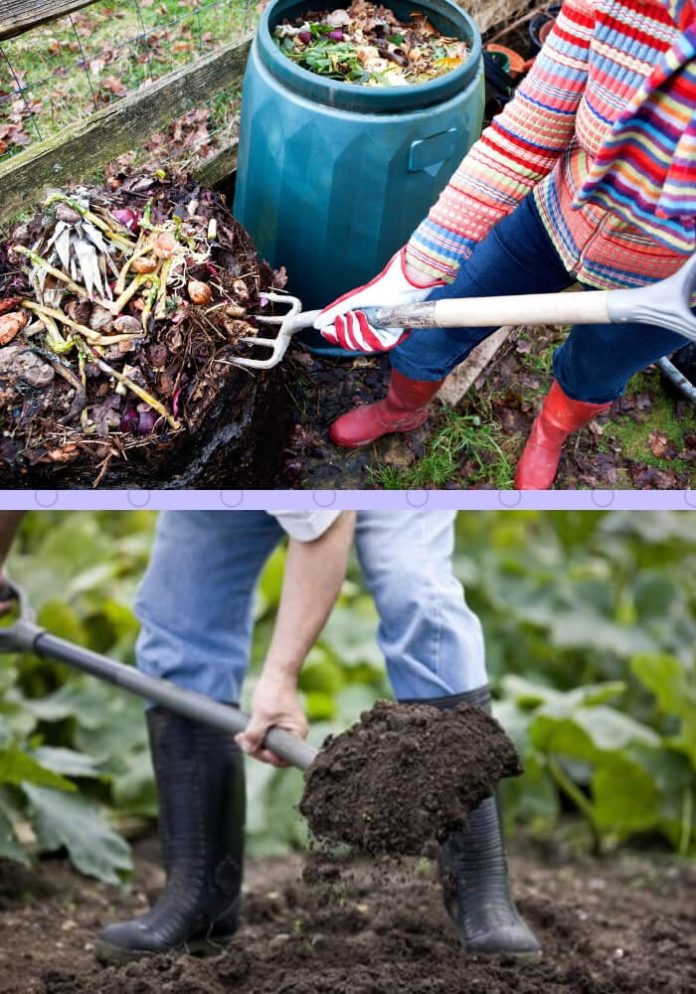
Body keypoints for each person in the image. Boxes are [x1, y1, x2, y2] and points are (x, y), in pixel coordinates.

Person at [0, 510, 540, 961]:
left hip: (353, 500)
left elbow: (327, 527)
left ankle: (482, 893)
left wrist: (281, 680)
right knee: (178, 619)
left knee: (418, 598)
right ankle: (199, 899)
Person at [314, 0, 695, 489]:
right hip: (555, 217)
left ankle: (548, 434)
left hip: (670, 280)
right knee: (433, 326)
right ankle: (400, 410)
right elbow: (524, 136)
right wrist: (414, 271)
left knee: (594, 373)